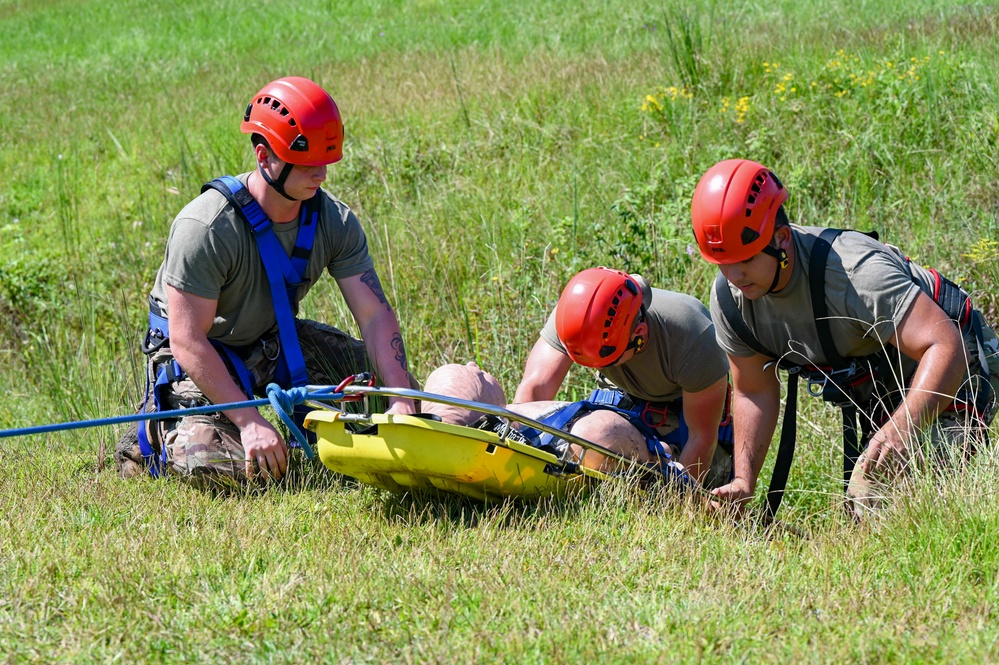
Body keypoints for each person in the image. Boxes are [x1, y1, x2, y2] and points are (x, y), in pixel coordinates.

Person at [114, 76, 416, 488]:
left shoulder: (334, 221)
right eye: (308, 162)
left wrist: (400, 398)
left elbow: (374, 314)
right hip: (200, 357)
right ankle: (149, 437)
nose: (322, 175)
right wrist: (250, 421)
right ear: (264, 156)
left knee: (407, 396)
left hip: (272, 341)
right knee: (221, 464)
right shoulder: (204, 227)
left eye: (328, 160)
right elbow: (188, 341)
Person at [690, 158, 999, 517]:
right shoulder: (730, 298)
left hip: (958, 367)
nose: (733, 275)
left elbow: (946, 345)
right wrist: (744, 480)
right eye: (721, 262)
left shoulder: (853, 274)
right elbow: (752, 390)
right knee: (864, 508)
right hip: (883, 385)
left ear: (781, 239)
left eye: (745, 259)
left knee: (888, 505)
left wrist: (901, 430)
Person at [510, 267, 735, 488]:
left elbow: (701, 436)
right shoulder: (575, 314)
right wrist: (520, 465)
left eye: (604, 362)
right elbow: (535, 390)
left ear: (639, 336)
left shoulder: (692, 335)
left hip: (684, 424)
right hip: (617, 406)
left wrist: (678, 501)